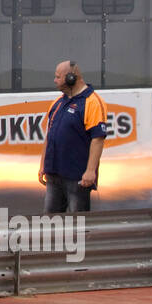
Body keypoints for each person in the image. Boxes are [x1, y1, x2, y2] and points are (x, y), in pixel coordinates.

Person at [37, 60, 108, 213]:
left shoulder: (93, 102)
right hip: (54, 174)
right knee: (50, 223)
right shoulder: (57, 103)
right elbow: (50, 135)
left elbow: (98, 139)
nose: (55, 81)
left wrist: (90, 171)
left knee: (77, 226)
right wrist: (43, 165)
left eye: (58, 77)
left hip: (78, 178)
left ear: (71, 78)